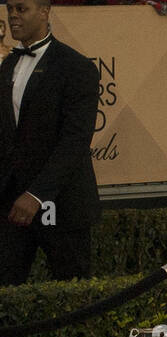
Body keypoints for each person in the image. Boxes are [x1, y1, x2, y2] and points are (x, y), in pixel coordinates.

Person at [0, 0, 98, 285]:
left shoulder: (76, 67)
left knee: (74, 295)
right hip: (10, 204)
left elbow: (75, 140)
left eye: (22, 9)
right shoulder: (7, 67)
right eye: (10, 10)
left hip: (62, 204)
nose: (14, 16)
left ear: (44, 11)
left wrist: (36, 194)